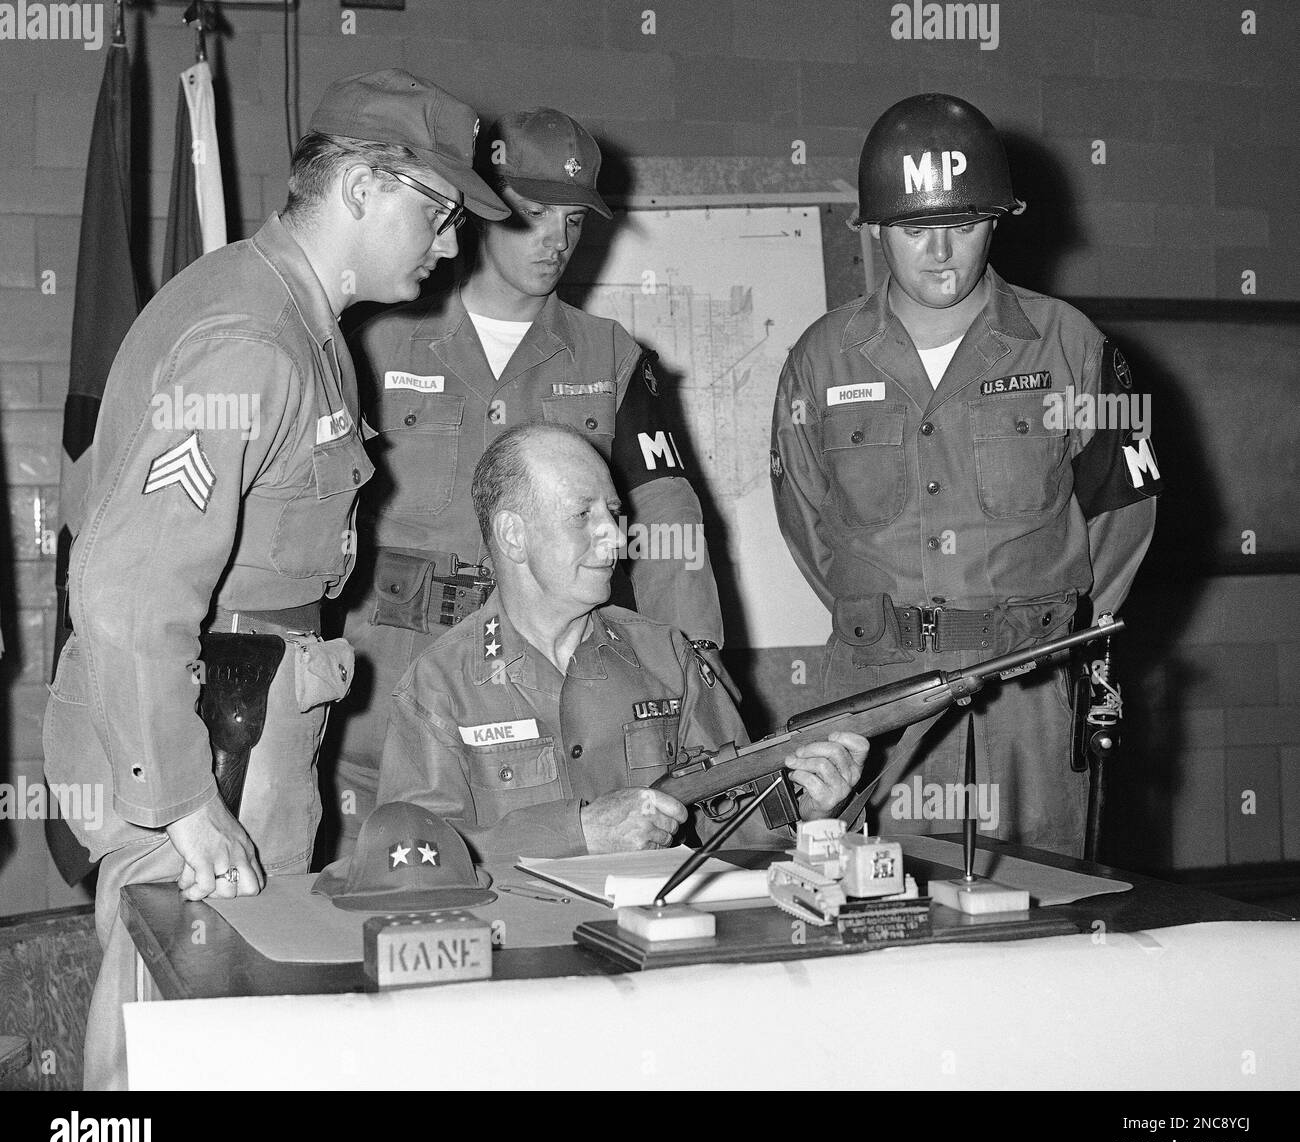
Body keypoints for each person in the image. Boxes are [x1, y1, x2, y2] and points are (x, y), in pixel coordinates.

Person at [41, 68, 507, 1089]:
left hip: (239, 719)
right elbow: (127, 585)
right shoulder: (250, 337)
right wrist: (183, 797)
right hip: (205, 745)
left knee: (221, 1037)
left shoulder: (297, 323)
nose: (453, 241)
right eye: (435, 210)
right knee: (169, 1040)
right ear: (361, 187)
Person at [770, 93, 1162, 857]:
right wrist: (895, 629)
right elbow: (808, 523)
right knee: (879, 920)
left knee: (1037, 919)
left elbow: (1127, 516)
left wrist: (1044, 634)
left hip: (1030, 696)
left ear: (999, 219)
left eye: (962, 225)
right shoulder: (817, 360)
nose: (940, 252)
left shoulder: (1072, 346)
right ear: (877, 230)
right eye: (916, 230)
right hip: (873, 702)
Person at [327, 107, 723, 859]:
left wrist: (696, 671)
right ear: (482, 207)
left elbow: (670, 522)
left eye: (574, 220)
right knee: (381, 897)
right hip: (386, 684)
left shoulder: (608, 356)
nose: (556, 240)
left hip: (550, 708)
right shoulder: (377, 337)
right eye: (534, 214)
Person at [378, 422, 868, 859]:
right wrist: (576, 833)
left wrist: (808, 812)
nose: (615, 536)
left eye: (613, 512)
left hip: (654, 934)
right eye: (582, 514)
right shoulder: (440, 684)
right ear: (513, 535)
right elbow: (412, 858)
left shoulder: (667, 656)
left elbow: (734, 831)